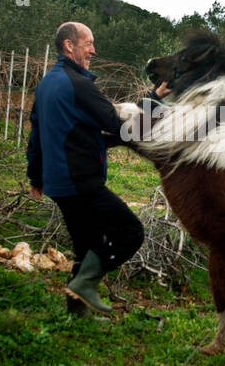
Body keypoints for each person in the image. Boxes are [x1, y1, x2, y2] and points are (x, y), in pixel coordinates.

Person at [26, 22, 165, 314]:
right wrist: (153, 103)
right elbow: (121, 126)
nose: (93, 49)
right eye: (88, 43)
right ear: (69, 45)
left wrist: (36, 176)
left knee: (86, 244)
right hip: (81, 182)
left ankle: (77, 312)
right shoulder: (79, 85)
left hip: (59, 184)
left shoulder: (46, 85)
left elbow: (37, 133)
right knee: (131, 232)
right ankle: (85, 284)